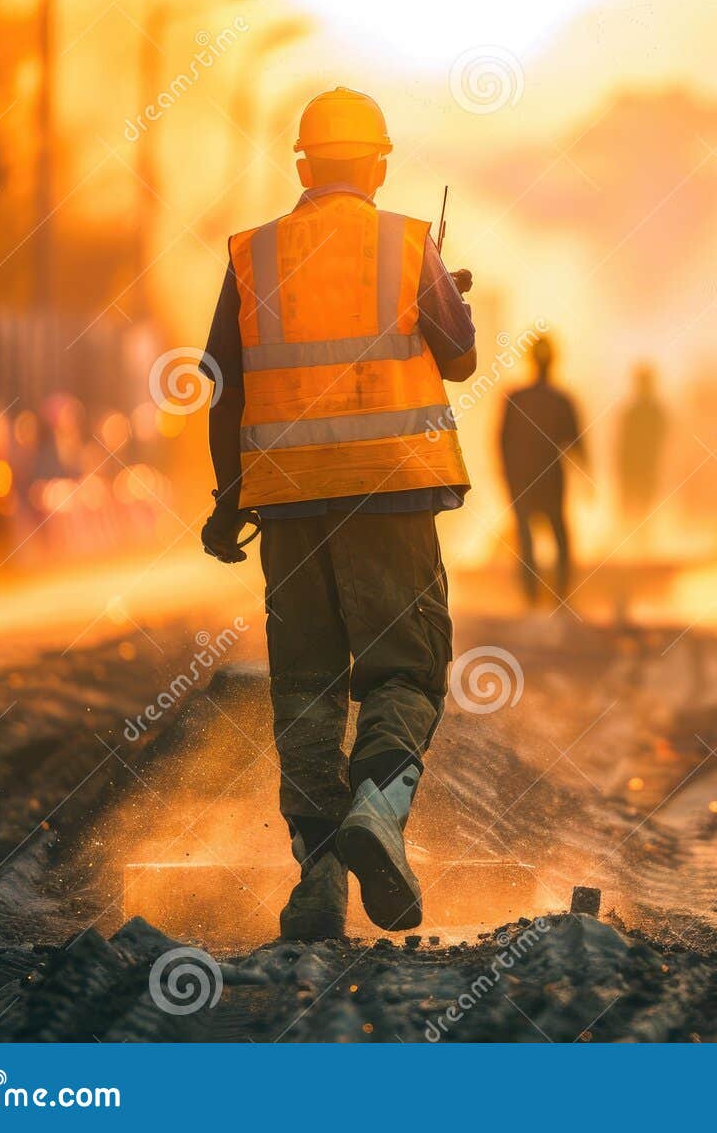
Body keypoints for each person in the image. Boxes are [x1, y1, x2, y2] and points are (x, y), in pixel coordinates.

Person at [198, 88, 478, 939]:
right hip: (390, 493)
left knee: (307, 688)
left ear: (303, 166)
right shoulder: (406, 242)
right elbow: (461, 360)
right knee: (404, 671)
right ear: (380, 164)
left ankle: (319, 874)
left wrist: (226, 499)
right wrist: (452, 300)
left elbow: (221, 386)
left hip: (286, 507)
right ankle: (378, 812)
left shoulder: (255, 253)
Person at [499, 335, 583, 603]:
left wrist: (508, 478)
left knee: (527, 536)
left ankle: (533, 596)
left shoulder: (517, 398)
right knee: (557, 533)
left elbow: (502, 443)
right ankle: (559, 594)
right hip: (549, 477)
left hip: (524, 478)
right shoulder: (560, 399)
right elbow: (577, 444)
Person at [615, 362, 667, 531]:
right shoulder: (634, 412)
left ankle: (640, 539)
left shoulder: (653, 411)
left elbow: (663, 440)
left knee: (643, 504)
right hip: (635, 466)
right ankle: (632, 538)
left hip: (645, 465)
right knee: (632, 505)